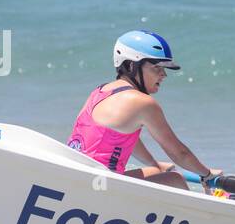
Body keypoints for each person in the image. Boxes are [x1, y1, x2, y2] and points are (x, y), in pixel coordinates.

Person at [68, 30, 219, 189]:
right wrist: (207, 175)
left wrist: (153, 163)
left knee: (154, 171)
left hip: (81, 176)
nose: (164, 75)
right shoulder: (143, 103)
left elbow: (124, 135)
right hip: (100, 187)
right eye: (157, 68)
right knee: (176, 180)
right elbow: (179, 154)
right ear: (131, 65)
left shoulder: (101, 91)